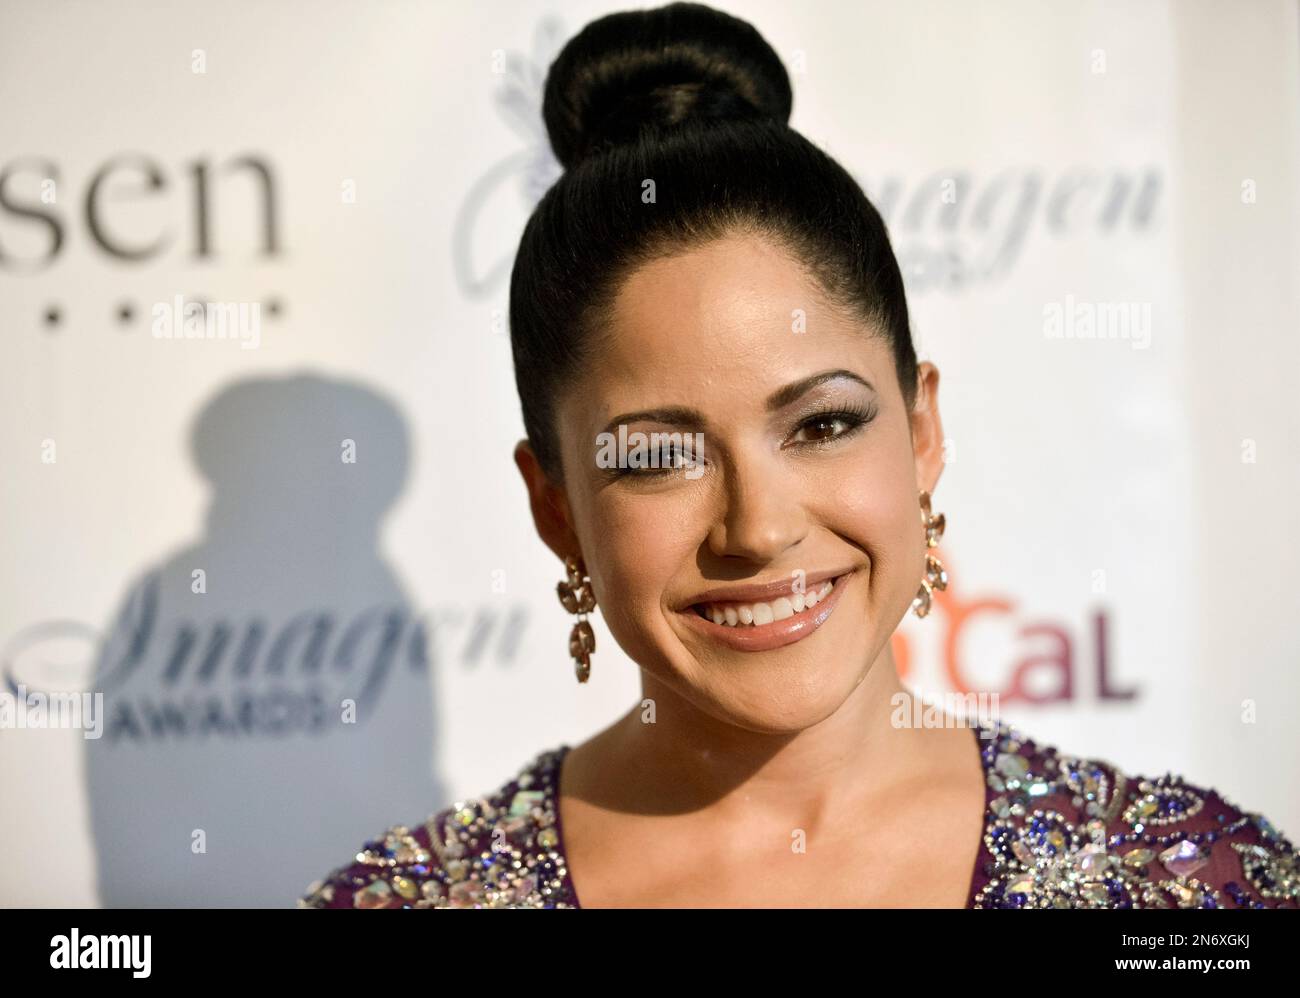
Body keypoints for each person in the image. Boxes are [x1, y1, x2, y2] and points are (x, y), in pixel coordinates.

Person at [299, 2, 1299, 909]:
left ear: (918, 434)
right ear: (555, 507)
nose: (759, 527)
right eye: (658, 455)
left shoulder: (1182, 889)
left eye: (820, 424)